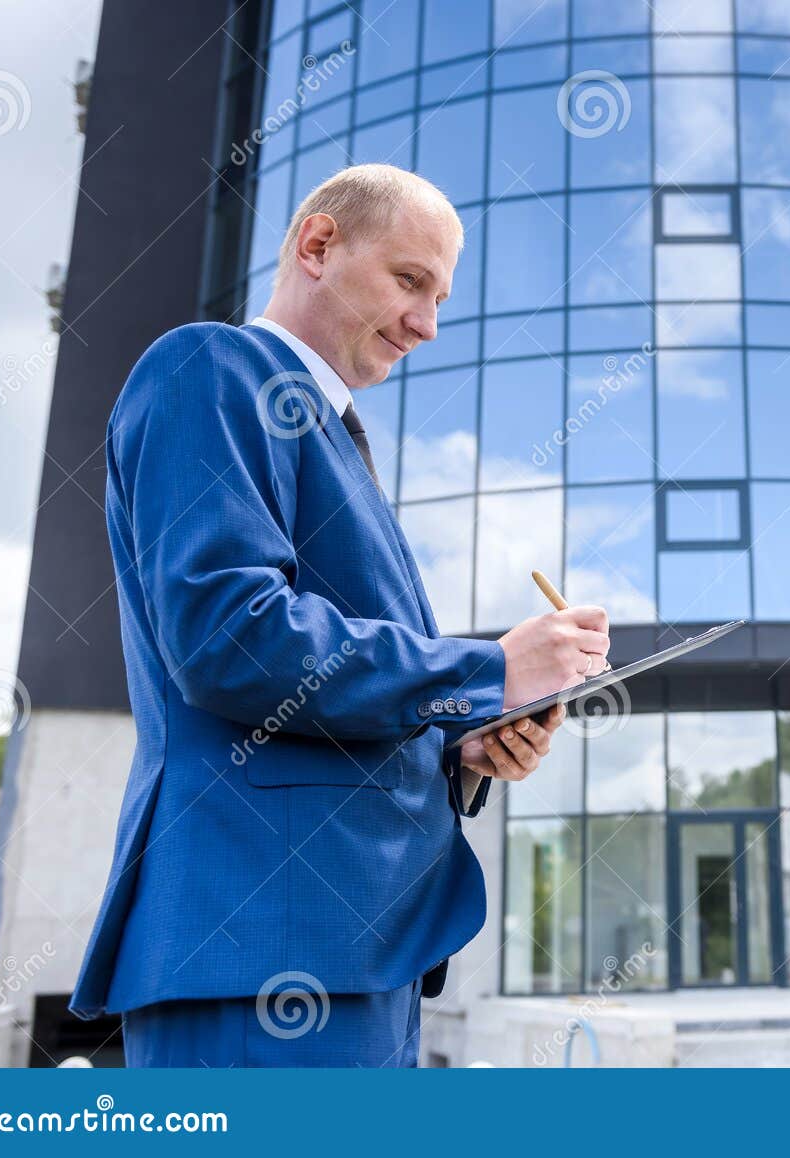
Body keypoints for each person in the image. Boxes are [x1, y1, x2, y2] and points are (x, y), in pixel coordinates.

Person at [69, 164, 609, 1067]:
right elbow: (230, 636)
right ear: (318, 245)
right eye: (410, 280)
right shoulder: (210, 366)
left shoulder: (331, 442)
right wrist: (488, 671)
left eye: (439, 298)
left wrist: (463, 743)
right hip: (257, 939)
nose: (427, 324)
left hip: (362, 949)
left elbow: (318, 694)